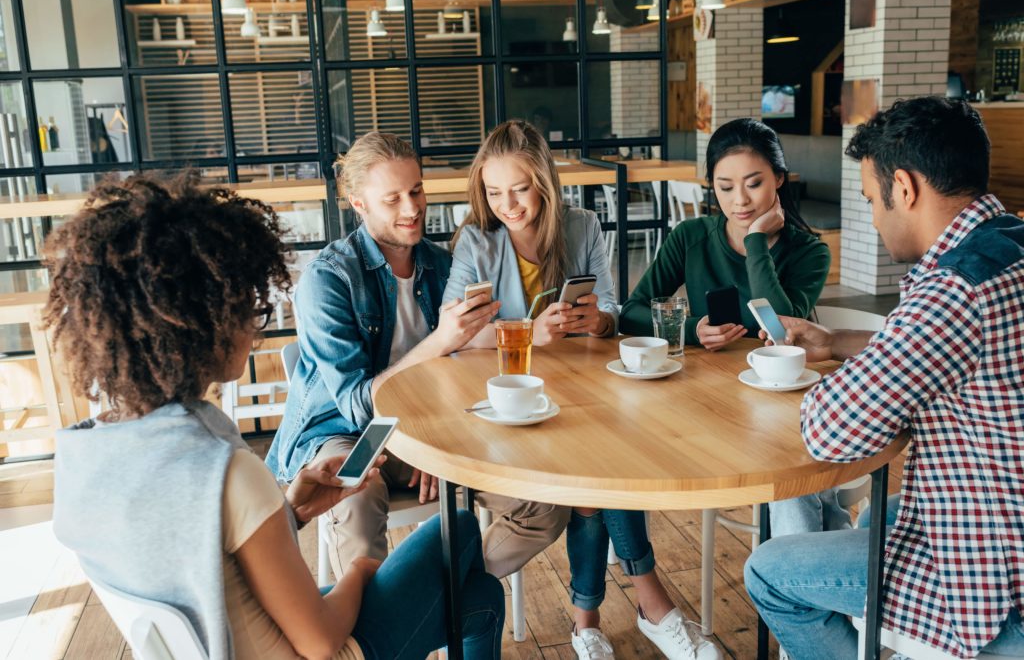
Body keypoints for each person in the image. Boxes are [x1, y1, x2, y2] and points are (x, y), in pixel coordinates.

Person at [47, 174, 504, 660]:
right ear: (202, 324)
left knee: (480, 599)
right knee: (459, 528)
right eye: (250, 310)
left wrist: (291, 509)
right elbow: (322, 642)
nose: (256, 331)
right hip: (321, 649)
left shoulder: (88, 459)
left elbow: (205, 557)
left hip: (224, 642)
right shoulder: (227, 473)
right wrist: (361, 570)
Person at [744, 96, 1024, 659]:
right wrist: (840, 344)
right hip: (999, 503)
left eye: (872, 199)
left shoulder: (954, 290)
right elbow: (964, 353)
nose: (873, 218)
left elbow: (830, 431)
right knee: (873, 514)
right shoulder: (1007, 243)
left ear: (905, 187)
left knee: (768, 572)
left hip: (992, 564)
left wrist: (829, 373)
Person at [444, 120, 718, 660]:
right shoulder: (478, 240)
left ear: (544, 182)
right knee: (602, 476)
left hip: (584, 390)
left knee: (605, 469)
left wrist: (598, 323)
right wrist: (528, 333)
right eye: (494, 192)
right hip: (509, 402)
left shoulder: (582, 225)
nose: (508, 204)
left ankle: (587, 623)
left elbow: (612, 307)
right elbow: (453, 333)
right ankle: (647, 604)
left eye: (519, 189)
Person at [264, 132, 502, 580]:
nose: (411, 209)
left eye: (416, 191)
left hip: (424, 423)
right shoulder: (328, 279)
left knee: (533, 501)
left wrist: (436, 441)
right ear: (359, 204)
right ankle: (372, 635)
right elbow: (356, 406)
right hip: (345, 432)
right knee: (357, 493)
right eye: (392, 199)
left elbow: (462, 369)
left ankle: (440, 598)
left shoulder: (443, 264)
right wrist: (442, 340)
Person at [619, 118, 840, 538]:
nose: (740, 200)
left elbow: (781, 332)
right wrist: (689, 331)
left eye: (754, 183)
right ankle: (816, 558)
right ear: (711, 186)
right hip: (708, 408)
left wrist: (756, 242)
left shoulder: (809, 252)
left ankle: (800, 576)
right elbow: (631, 312)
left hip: (780, 406)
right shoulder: (690, 237)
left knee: (793, 485)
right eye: (725, 187)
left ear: (779, 178)